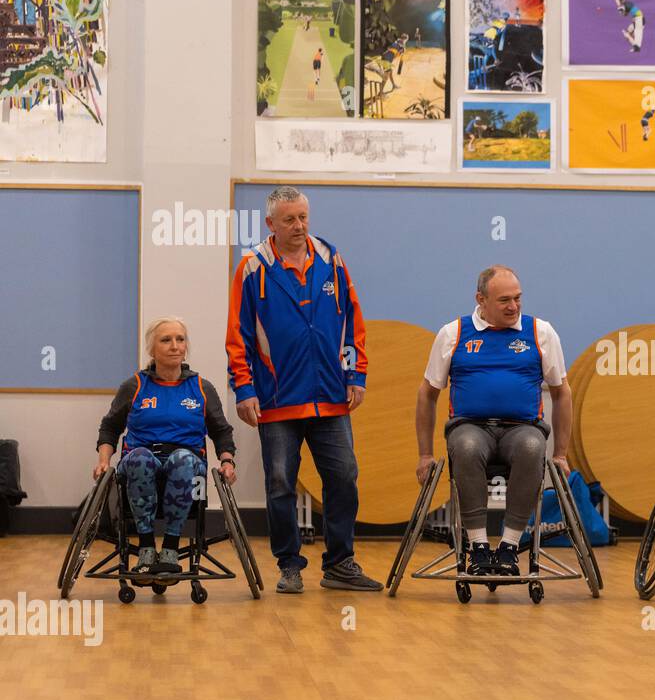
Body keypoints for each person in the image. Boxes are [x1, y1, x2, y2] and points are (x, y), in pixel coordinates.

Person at [226, 186, 378, 594]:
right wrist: (243, 387)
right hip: (276, 399)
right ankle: (288, 565)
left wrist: (355, 374)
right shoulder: (252, 268)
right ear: (270, 223)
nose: (299, 226)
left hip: (330, 395)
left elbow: (353, 321)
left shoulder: (332, 260)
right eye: (289, 220)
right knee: (280, 484)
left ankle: (340, 564)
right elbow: (238, 335)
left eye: (303, 218)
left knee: (344, 477)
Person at [415, 266, 573, 578]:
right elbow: (427, 395)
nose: (513, 306)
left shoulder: (541, 333)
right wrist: (424, 455)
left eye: (518, 298)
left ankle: (509, 547)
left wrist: (561, 454)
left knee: (532, 446)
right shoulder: (453, 333)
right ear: (481, 300)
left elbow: (562, 392)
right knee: (467, 446)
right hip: (470, 426)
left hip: (522, 428)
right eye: (504, 300)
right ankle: (479, 547)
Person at [95, 318, 236, 576]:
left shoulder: (202, 388)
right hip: (142, 459)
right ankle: (146, 547)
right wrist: (104, 461)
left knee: (183, 459)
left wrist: (227, 461)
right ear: (152, 349)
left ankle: (171, 548)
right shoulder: (134, 386)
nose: (174, 346)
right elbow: (109, 427)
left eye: (180, 339)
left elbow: (221, 432)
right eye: (166, 340)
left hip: (187, 463)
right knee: (139, 458)